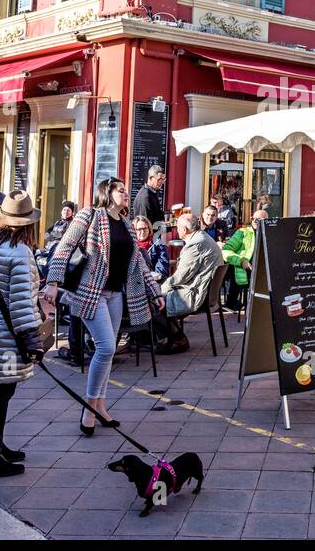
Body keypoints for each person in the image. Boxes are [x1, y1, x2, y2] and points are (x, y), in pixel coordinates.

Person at [44, 177, 162, 433]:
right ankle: (89, 406)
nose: (126, 194)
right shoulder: (90, 215)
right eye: (121, 190)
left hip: (116, 294)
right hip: (92, 292)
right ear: (106, 193)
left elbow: (138, 263)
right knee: (107, 347)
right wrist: (52, 281)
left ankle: (101, 405)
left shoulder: (128, 224)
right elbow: (64, 248)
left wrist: (155, 291)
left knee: (106, 353)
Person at [0, 191, 47, 479]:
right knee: (1, 393)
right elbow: (23, 302)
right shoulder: (21, 253)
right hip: (8, 339)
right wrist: (32, 341)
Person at [157, 211, 223, 353]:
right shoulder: (203, 238)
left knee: (155, 301)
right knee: (160, 297)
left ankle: (174, 340)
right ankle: (177, 337)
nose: (176, 230)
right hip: (207, 293)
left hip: (197, 295)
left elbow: (181, 276)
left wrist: (160, 288)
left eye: (178, 228)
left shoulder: (195, 244)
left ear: (184, 230)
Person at [221, 209, 265, 313]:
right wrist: (241, 261)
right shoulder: (243, 233)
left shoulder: (271, 235)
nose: (255, 221)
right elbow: (226, 251)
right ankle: (235, 303)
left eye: (259, 219)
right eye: (253, 218)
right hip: (246, 269)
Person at [132, 215, 169, 281]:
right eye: (139, 229)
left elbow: (162, 262)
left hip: (154, 281)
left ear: (149, 229)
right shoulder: (131, 245)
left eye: (145, 228)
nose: (142, 232)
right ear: (134, 230)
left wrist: (156, 276)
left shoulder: (157, 243)